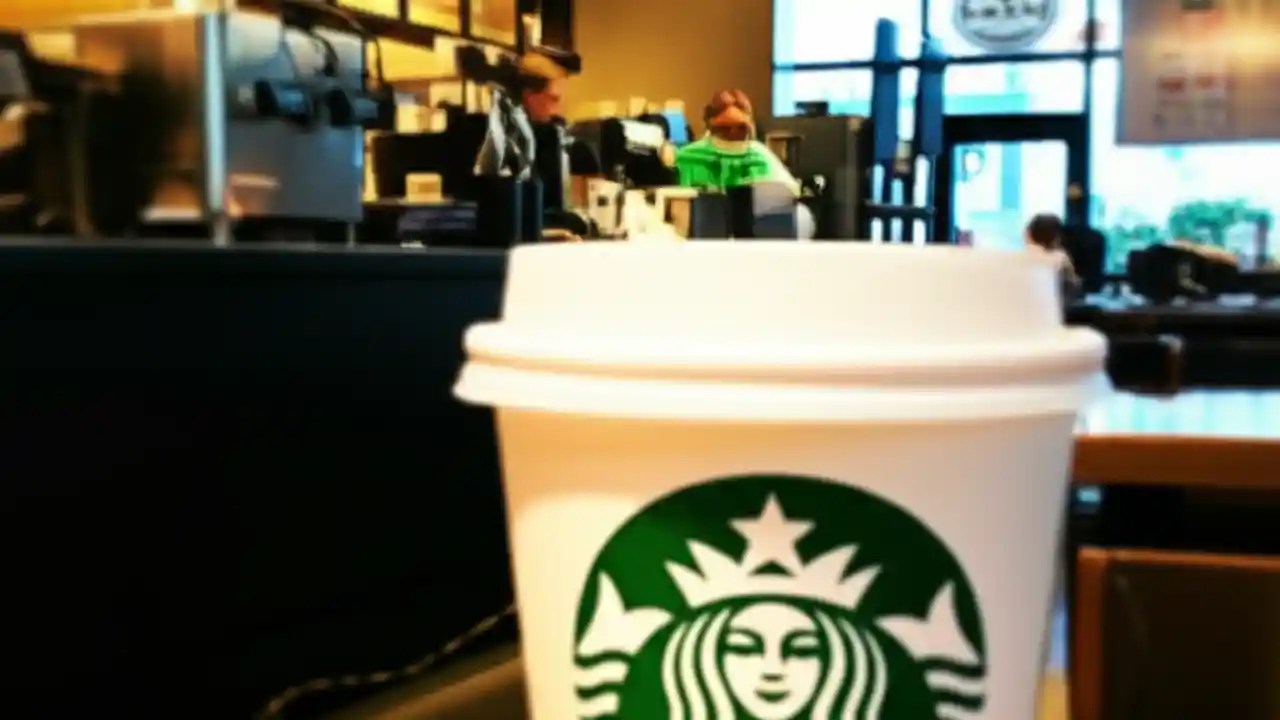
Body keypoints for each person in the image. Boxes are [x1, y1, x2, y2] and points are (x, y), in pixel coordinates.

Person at [674, 89, 799, 194]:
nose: (732, 133)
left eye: (740, 128)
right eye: (724, 129)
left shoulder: (759, 156)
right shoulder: (686, 157)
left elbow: (790, 192)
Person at [1026, 213, 1084, 300]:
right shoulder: (1061, 258)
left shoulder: (1021, 257)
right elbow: (1074, 286)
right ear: (1057, 237)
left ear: (1028, 233)